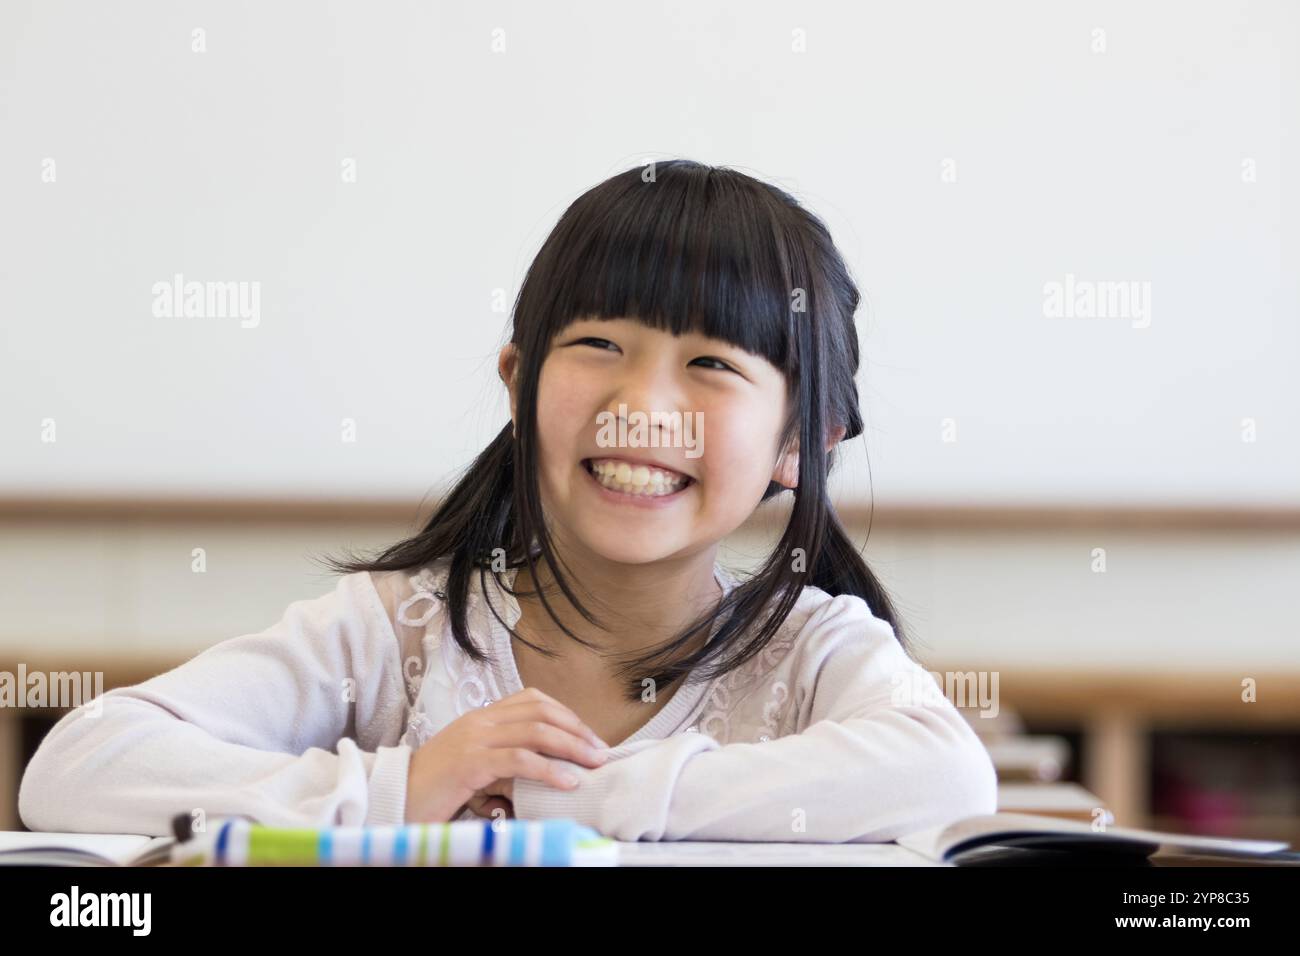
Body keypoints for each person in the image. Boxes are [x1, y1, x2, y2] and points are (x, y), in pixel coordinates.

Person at [19, 159, 996, 842]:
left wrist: (580, 795)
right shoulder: (400, 632)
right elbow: (80, 765)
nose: (640, 406)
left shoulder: (810, 650)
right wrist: (404, 783)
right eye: (599, 345)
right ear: (518, 384)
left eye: (708, 363)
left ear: (797, 443)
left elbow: (946, 772)